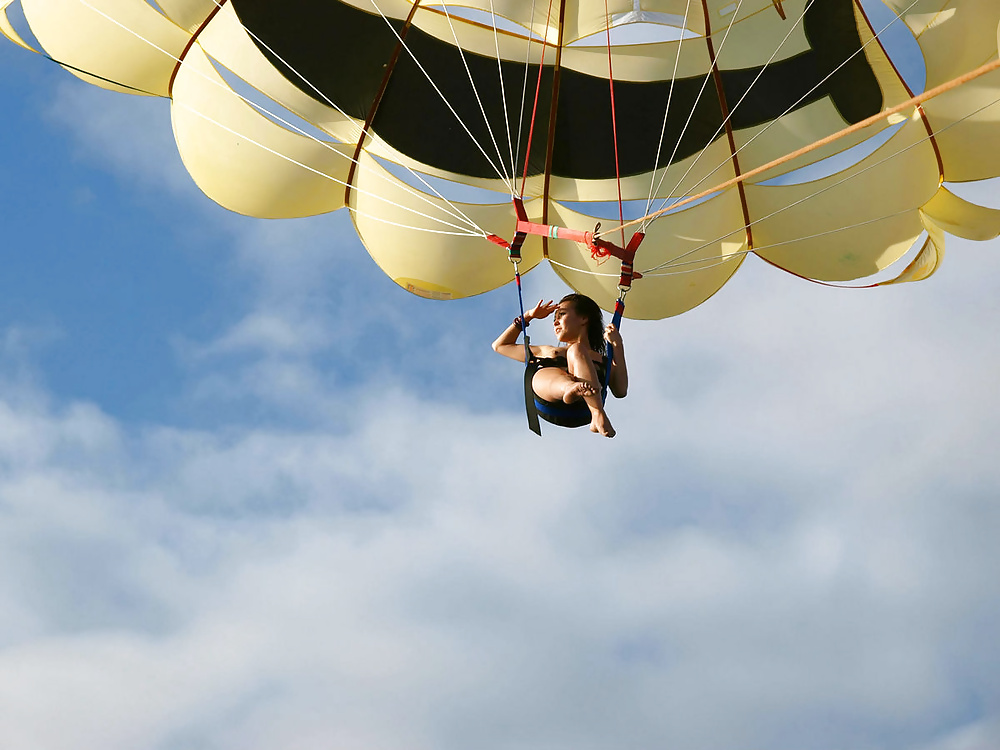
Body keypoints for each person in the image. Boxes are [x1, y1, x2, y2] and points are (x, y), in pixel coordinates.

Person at [492, 293, 628, 438]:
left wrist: (617, 345)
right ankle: (572, 389)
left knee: (576, 349)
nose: (555, 322)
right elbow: (500, 346)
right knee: (569, 357)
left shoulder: (603, 360)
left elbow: (620, 390)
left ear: (584, 318)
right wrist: (528, 316)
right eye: (554, 319)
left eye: (561, 315)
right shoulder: (547, 351)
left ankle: (594, 410)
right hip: (551, 400)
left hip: (582, 410)